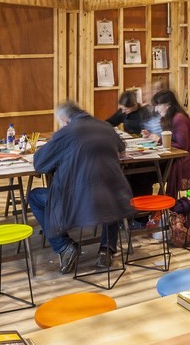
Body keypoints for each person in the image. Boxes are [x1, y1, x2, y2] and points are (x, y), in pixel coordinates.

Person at [29, 99, 134, 273]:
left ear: (64, 119)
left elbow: (39, 164)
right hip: (115, 195)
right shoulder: (106, 127)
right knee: (108, 191)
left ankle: (64, 246)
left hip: (77, 199)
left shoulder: (67, 132)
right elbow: (121, 149)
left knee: (34, 197)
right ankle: (106, 250)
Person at [151, 89, 190, 200]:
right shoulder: (170, 118)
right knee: (148, 172)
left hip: (187, 160)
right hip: (178, 158)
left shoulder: (179, 119)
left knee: (149, 173)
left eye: (158, 105)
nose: (156, 109)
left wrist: (159, 140)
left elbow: (182, 145)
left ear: (168, 105)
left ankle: (157, 207)